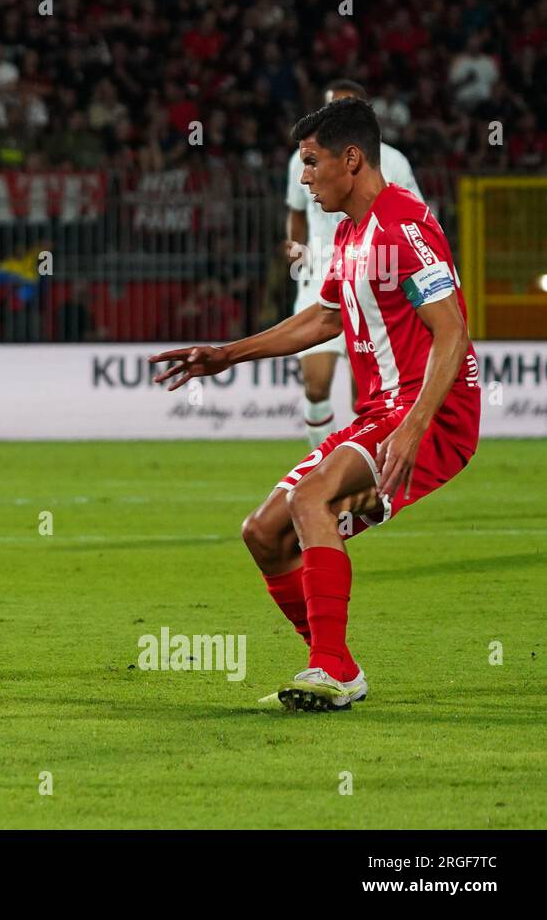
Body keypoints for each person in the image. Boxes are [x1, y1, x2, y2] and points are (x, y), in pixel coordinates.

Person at [153, 98, 480, 711]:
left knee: (311, 499)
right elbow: (325, 317)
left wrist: (413, 427)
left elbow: (452, 330)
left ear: (350, 158)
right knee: (264, 533)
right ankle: (335, 665)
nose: (303, 178)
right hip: (381, 413)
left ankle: (328, 667)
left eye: (311, 162)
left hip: (428, 411)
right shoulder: (354, 234)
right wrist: (228, 353)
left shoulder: (402, 227)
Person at [283, 80, 423, 448]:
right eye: (331, 107)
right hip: (321, 272)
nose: (306, 175)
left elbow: (415, 216)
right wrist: (297, 248)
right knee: (315, 383)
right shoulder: (304, 156)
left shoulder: (393, 162)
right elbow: (295, 212)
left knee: (366, 395)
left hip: (374, 275)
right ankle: (323, 460)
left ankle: (359, 472)